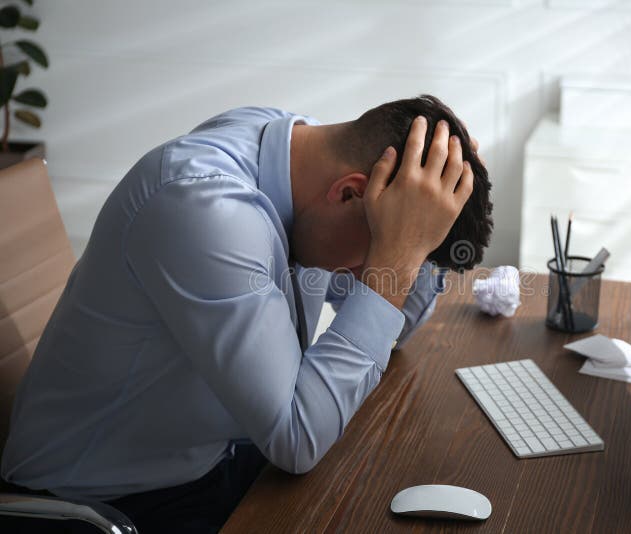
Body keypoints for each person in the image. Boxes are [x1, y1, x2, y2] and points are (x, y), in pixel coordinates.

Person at [1, 95, 493, 532]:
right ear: (350, 193)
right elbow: (296, 438)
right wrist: (395, 255)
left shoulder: (300, 153)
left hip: (217, 455)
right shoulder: (204, 209)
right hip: (108, 504)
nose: (364, 272)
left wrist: (432, 226)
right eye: (377, 250)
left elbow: (393, 327)